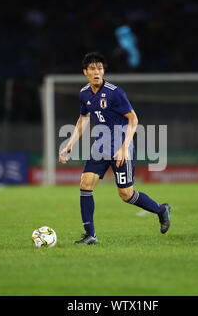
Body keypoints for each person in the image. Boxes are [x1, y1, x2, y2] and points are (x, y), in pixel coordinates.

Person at [59, 52, 171, 245]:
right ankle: (90, 235)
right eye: (92, 68)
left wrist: (123, 148)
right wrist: (69, 144)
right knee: (85, 184)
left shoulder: (115, 92)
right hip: (100, 147)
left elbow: (133, 119)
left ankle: (161, 210)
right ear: (85, 72)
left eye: (100, 68)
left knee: (126, 194)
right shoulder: (84, 93)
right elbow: (84, 119)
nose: (97, 72)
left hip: (120, 147)